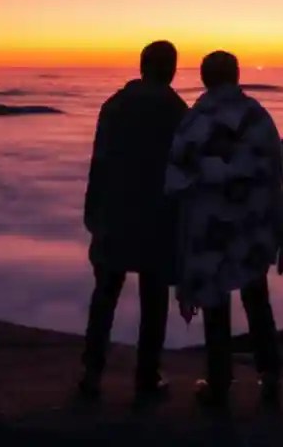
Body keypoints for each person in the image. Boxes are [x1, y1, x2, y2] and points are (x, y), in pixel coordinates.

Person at [165, 50, 283, 409]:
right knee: (256, 298)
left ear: (204, 78)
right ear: (236, 76)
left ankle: (219, 381)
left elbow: (175, 179)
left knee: (215, 301)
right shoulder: (257, 117)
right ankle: (270, 374)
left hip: (209, 230)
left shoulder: (195, 120)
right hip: (251, 227)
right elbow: (273, 175)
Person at [79, 40, 189, 401]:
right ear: (170, 69)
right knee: (154, 300)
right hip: (158, 220)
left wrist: (92, 213)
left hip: (114, 214)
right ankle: (146, 376)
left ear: (142, 66)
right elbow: (184, 171)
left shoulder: (114, 106)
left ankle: (92, 373)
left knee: (105, 294)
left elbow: (99, 163)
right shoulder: (177, 111)